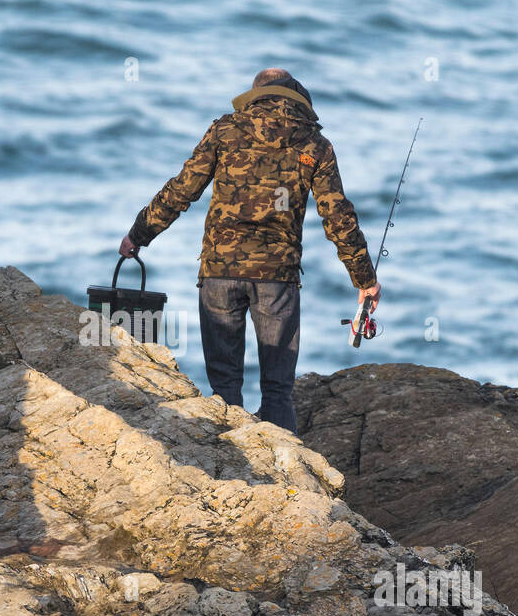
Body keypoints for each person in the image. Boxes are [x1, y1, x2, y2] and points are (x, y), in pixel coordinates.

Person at [119, 68, 381, 434]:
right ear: (297, 97)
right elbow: (338, 218)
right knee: (278, 390)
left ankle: (230, 468)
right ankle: (285, 478)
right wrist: (364, 279)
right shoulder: (315, 145)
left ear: (255, 96)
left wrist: (139, 234)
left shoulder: (225, 131)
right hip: (277, 279)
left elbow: (182, 190)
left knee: (224, 388)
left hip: (219, 272)